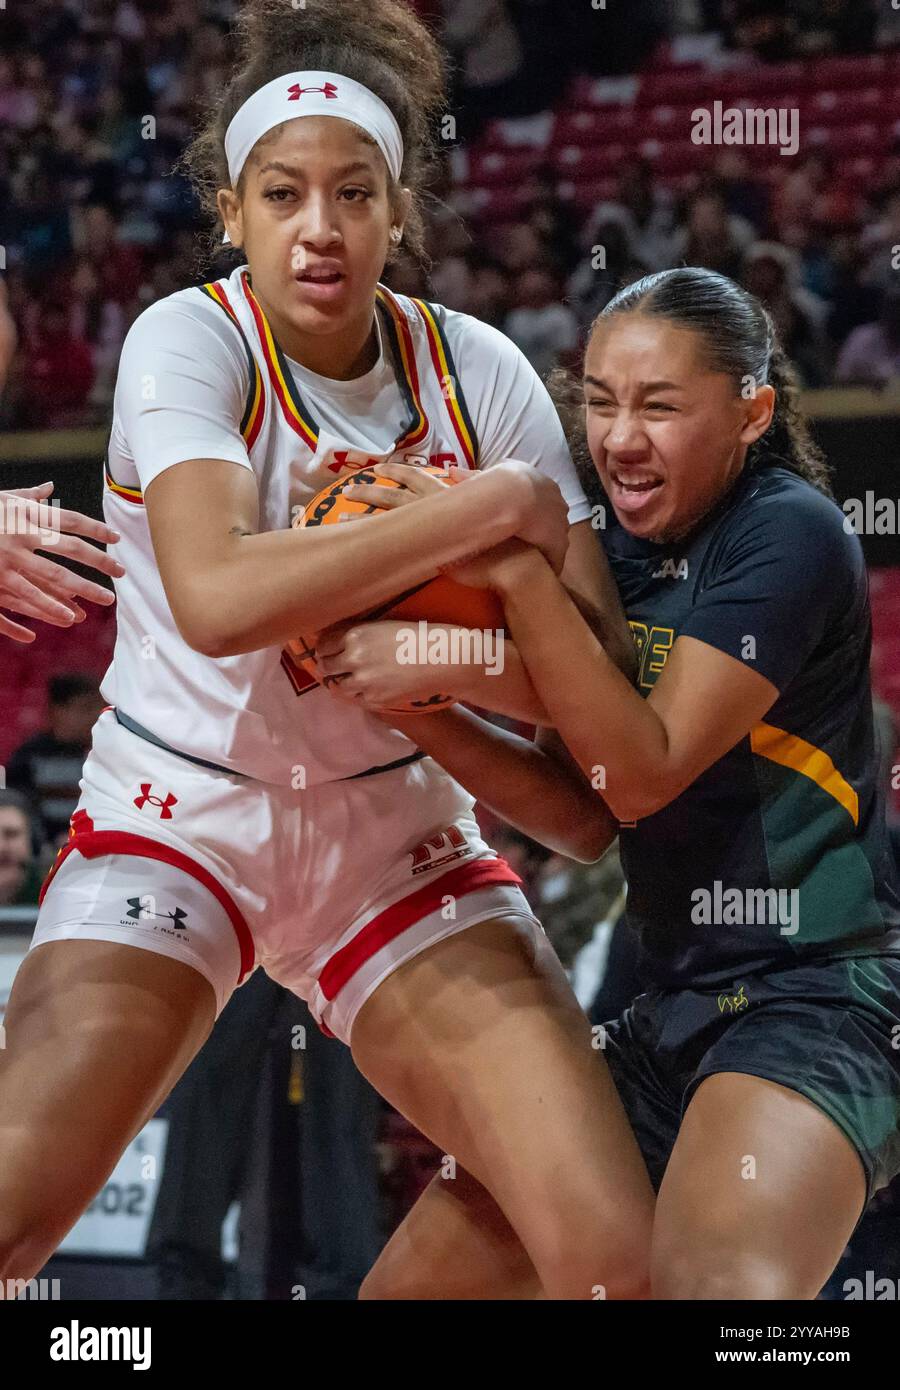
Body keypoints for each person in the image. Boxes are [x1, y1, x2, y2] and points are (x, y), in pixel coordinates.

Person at [0, 0, 655, 1301]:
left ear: (397, 210)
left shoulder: (485, 375)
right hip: (180, 814)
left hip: (393, 833)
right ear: (231, 213)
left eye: (355, 192)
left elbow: (605, 705)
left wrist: (433, 657)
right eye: (283, 193)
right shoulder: (189, 340)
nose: (320, 227)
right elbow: (218, 595)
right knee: (15, 1209)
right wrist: (489, 510)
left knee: (616, 1256)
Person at [328, 266, 900, 1298]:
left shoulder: (789, 532)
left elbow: (640, 772)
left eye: (660, 405)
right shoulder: (617, 545)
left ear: (752, 410)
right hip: (663, 1005)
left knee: (719, 1293)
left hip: (822, 991)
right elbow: (584, 816)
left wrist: (502, 575)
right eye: (598, 400)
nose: (619, 437)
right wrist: (418, 705)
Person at [7, 674, 103, 849]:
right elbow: (17, 811)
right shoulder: (28, 757)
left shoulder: (101, 755)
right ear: (58, 710)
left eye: (98, 708)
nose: (95, 716)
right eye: (85, 708)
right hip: (42, 852)